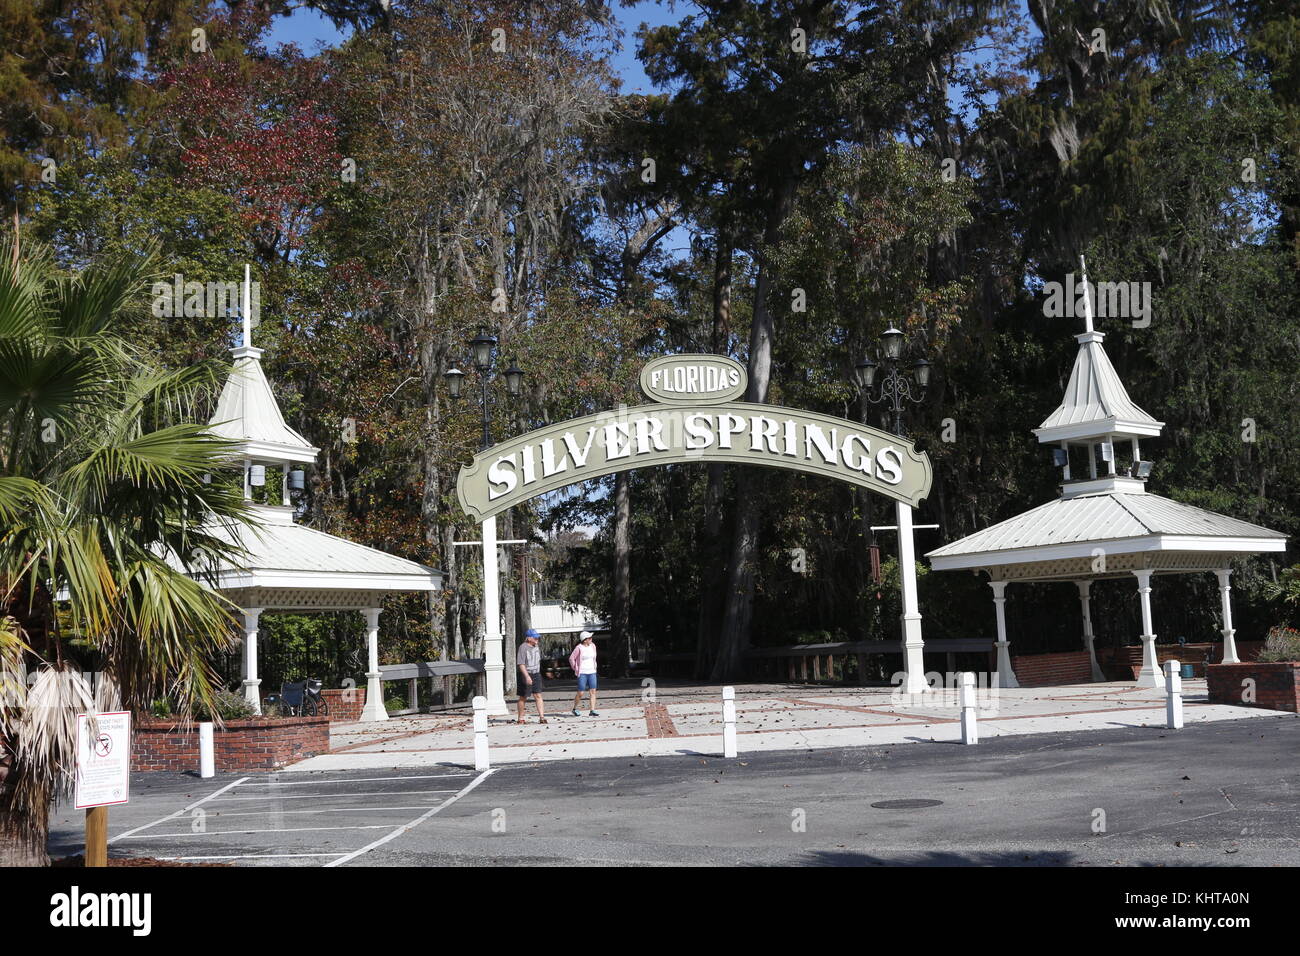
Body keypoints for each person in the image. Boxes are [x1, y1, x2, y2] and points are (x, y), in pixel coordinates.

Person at [516, 628, 547, 724]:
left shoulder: (536, 646)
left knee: (538, 695)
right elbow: (521, 664)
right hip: (526, 674)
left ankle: (542, 717)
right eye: (535, 638)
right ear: (529, 638)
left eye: (537, 638)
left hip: (536, 673)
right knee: (523, 697)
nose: (537, 639)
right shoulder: (523, 647)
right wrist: (527, 676)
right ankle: (520, 718)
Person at [569, 630, 599, 716]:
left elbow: (594, 658)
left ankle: (592, 710)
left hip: (592, 672)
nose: (591, 639)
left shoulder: (593, 646)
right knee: (581, 692)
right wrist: (575, 668)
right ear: (585, 640)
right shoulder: (579, 648)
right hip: (582, 672)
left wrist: (595, 666)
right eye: (589, 638)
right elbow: (571, 658)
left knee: (593, 691)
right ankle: (575, 708)